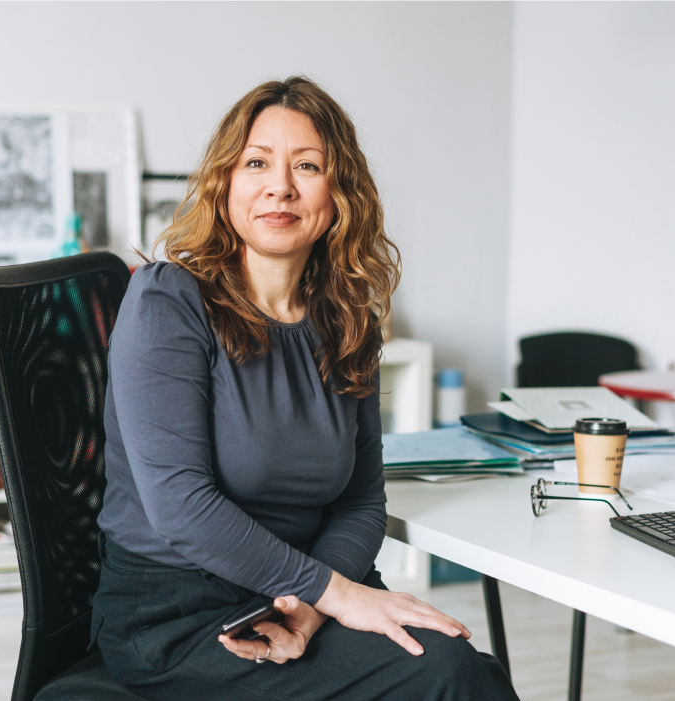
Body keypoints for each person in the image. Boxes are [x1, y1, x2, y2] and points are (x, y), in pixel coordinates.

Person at [90, 76, 519, 701]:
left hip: (302, 592)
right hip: (179, 612)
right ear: (226, 184)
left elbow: (360, 501)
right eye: (257, 163)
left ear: (338, 192)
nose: (280, 186)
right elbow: (180, 506)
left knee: (461, 670)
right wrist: (340, 596)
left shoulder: (348, 317)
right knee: (448, 674)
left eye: (308, 166)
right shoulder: (168, 300)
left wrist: (316, 608)